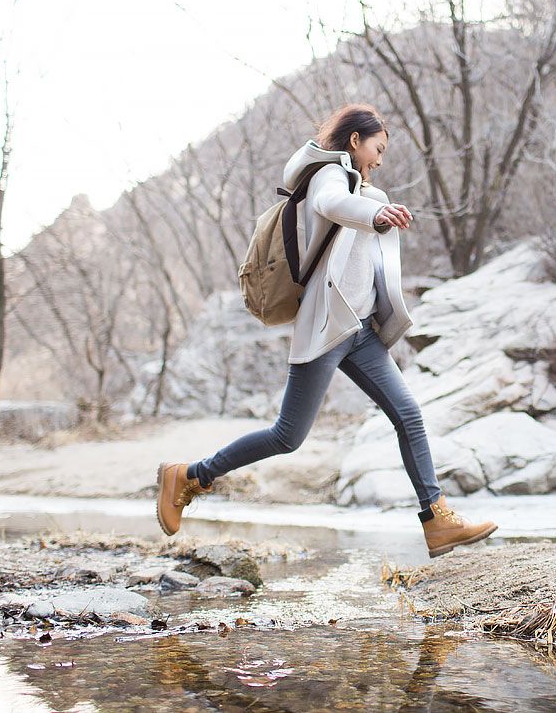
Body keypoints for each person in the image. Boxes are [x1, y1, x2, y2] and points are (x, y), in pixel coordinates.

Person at [157, 104, 497, 556]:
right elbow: (330, 205)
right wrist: (376, 216)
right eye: (377, 148)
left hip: (359, 332)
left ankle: (436, 519)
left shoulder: (363, 188)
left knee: (408, 415)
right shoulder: (327, 176)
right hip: (325, 327)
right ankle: (192, 475)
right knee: (287, 436)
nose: (380, 159)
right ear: (354, 141)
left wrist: (379, 214)